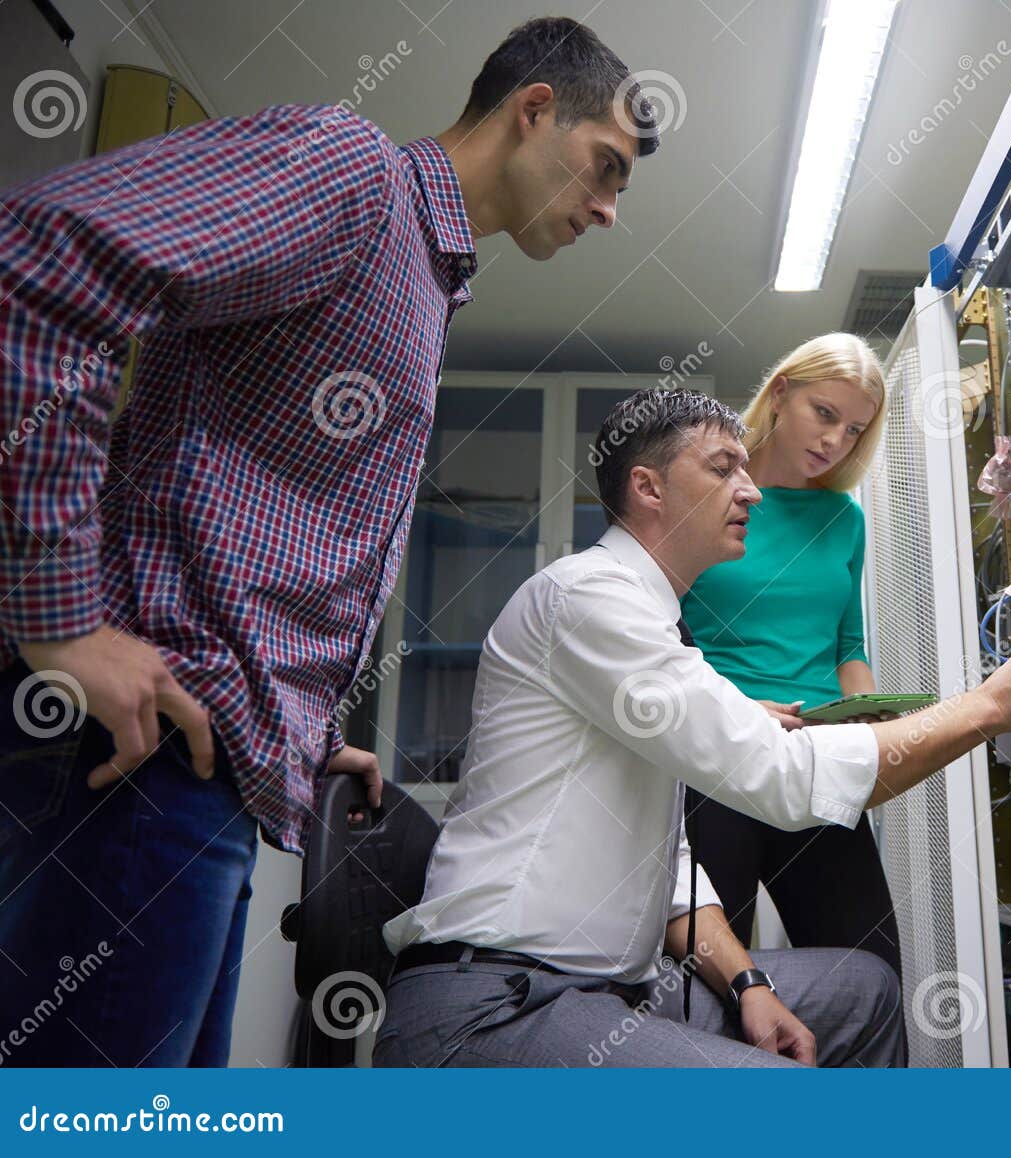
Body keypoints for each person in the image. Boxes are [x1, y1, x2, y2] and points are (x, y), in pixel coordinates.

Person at [0, 16, 657, 1066]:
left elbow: (257, 510)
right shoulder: (351, 174)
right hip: (133, 754)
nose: (611, 210)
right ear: (535, 109)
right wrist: (60, 619)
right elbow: (37, 264)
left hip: (213, 760)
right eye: (605, 167)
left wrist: (300, 725)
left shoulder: (429, 279)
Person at [375, 389, 1011, 1067]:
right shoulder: (591, 598)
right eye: (723, 469)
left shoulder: (662, 632)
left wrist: (750, 985)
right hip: (495, 1008)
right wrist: (989, 705)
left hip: (599, 992)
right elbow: (783, 778)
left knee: (863, 989)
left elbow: (675, 869)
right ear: (649, 488)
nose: (750, 490)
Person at [681, 334, 904, 976]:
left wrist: (867, 712)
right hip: (716, 762)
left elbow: (848, 645)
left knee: (871, 971)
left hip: (816, 764)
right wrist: (734, 708)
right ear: (780, 395)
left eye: (855, 429)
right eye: (825, 414)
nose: (836, 441)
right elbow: (664, 632)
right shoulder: (707, 492)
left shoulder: (844, 517)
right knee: (709, 985)